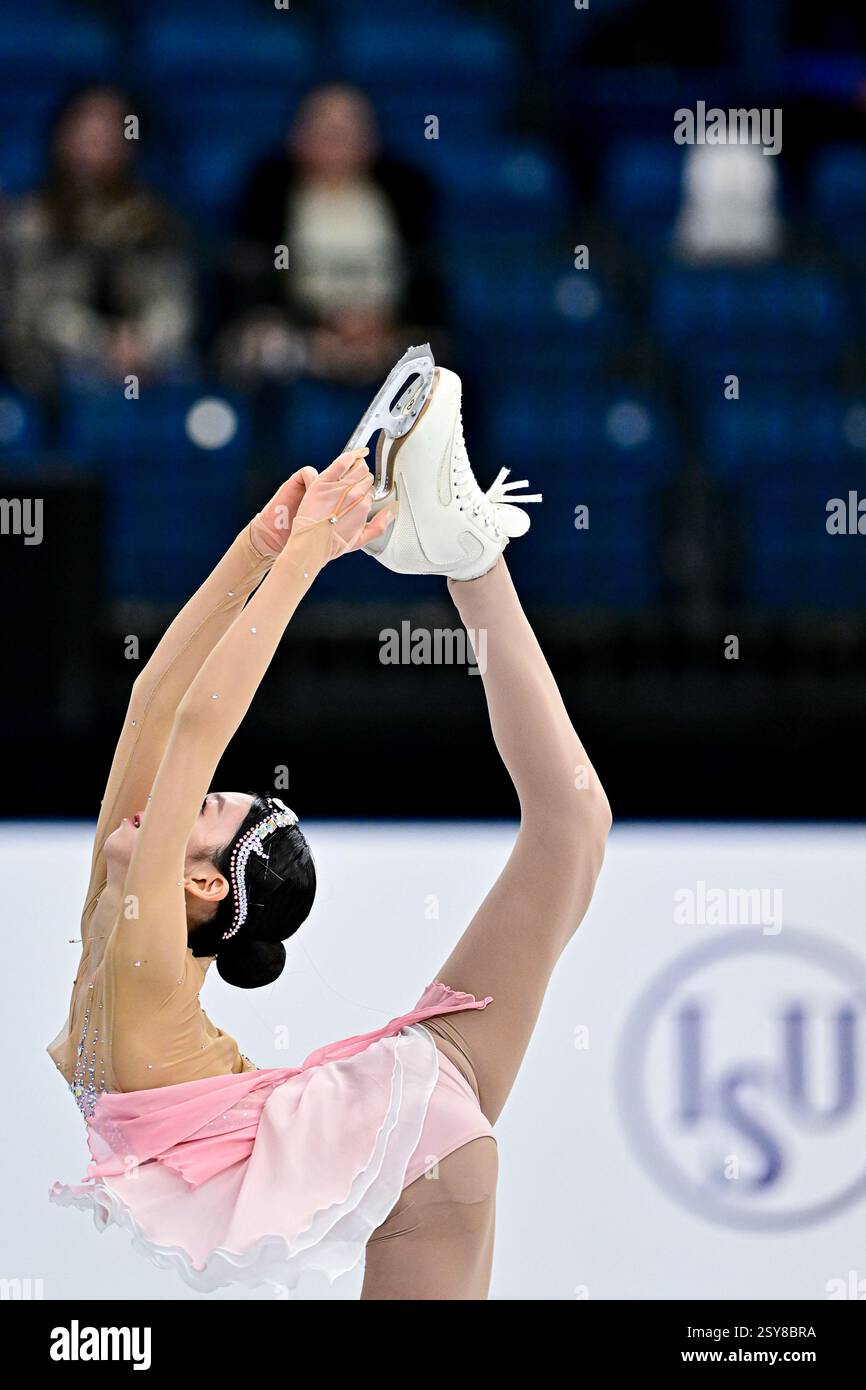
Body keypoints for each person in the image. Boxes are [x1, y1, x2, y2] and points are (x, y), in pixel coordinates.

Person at [49, 356, 610, 1300]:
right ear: (198, 889)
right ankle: (471, 558)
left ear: (202, 884)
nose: (175, 795)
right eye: (206, 799)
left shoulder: (135, 935)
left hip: (401, 1151)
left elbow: (179, 714)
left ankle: (469, 555)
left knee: (572, 826)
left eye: (203, 804)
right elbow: (165, 713)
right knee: (574, 823)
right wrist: (269, 549)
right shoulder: (131, 925)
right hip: (394, 1135)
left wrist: (286, 555)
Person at [220, 83, 445, 385]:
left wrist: (382, 326)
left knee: (436, 360)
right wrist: (318, 326)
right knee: (261, 347)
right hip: (303, 335)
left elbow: (426, 279)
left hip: (385, 336)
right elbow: (254, 276)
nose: (337, 141)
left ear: (372, 139)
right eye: (325, 130)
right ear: (298, 137)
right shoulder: (271, 196)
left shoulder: (404, 195)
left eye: (349, 130)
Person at [3, 84, 193, 391]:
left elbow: (174, 302)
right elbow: (30, 311)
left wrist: (145, 342)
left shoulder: (155, 219)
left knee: (185, 380)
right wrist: (100, 343)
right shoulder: (30, 219)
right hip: (57, 361)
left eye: (110, 129)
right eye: (85, 129)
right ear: (61, 138)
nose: (96, 141)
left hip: (143, 362)